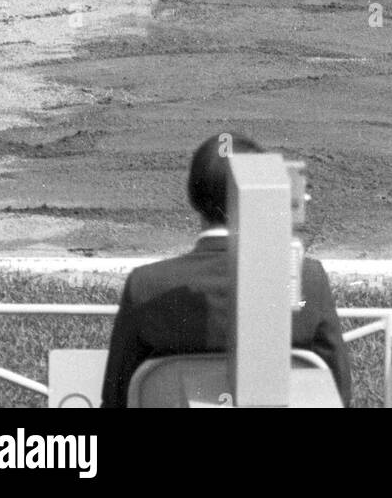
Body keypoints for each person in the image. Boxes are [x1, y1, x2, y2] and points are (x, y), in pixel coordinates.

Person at [101, 132, 352, 408]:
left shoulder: (147, 285)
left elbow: (117, 398)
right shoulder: (307, 278)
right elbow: (337, 393)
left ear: (194, 196)